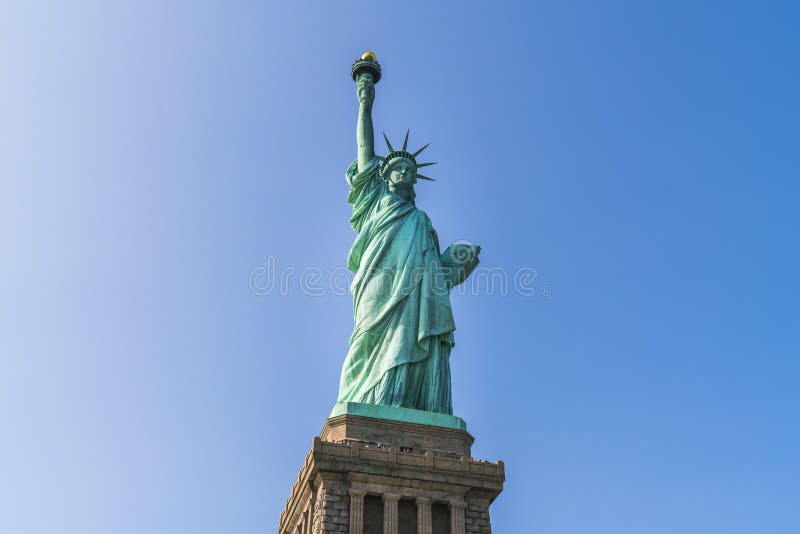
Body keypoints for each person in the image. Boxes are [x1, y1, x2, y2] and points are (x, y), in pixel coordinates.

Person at [335, 72, 480, 415]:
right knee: (365, 342)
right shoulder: (373, 201)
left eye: (408, 168)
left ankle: (405, 402)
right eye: (396, 168)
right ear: (384, 177)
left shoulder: (422, 221)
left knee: (410, 337)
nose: (403, 172)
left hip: (416, 295)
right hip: (379, 284)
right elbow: (364, 149)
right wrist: (365, 104)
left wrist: (457, 263)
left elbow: (436, 272)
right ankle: (360, 402)